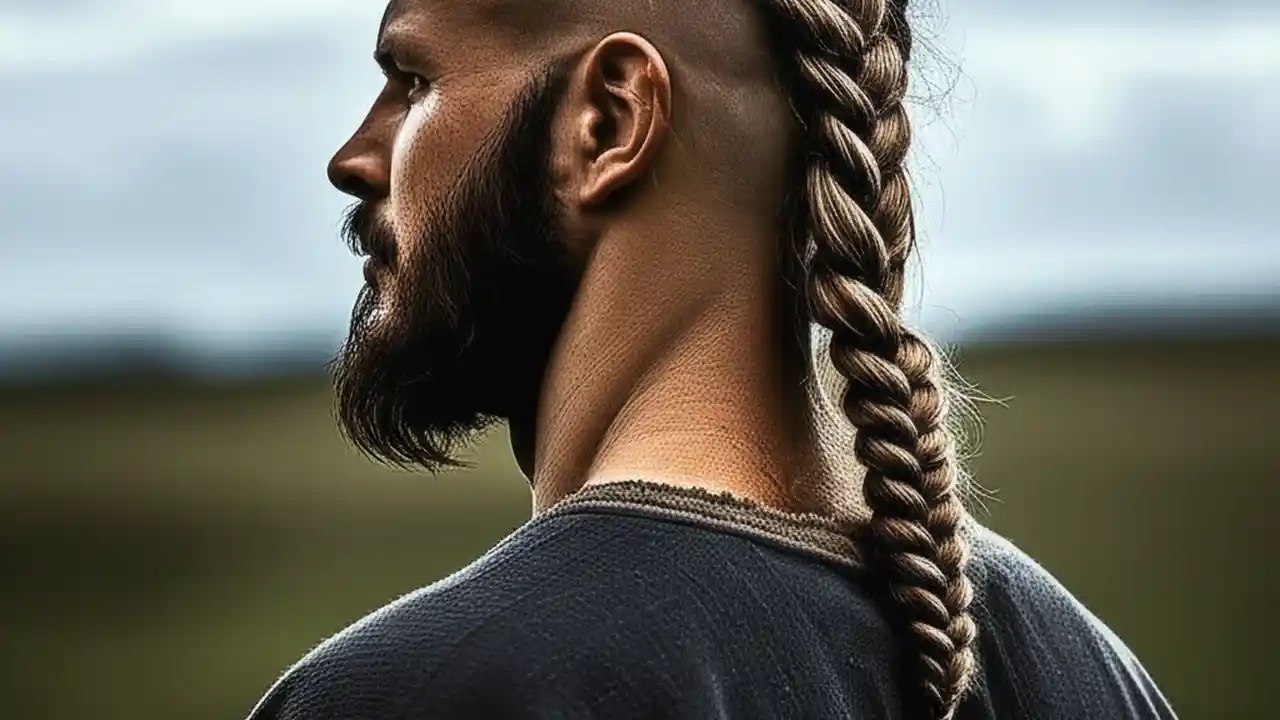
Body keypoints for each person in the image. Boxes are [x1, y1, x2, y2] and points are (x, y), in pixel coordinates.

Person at [247, 0, 1176, 717]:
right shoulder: (1090, 673)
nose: (354, 155)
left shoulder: (429, 693)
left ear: (608, 123)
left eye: (412, 80)